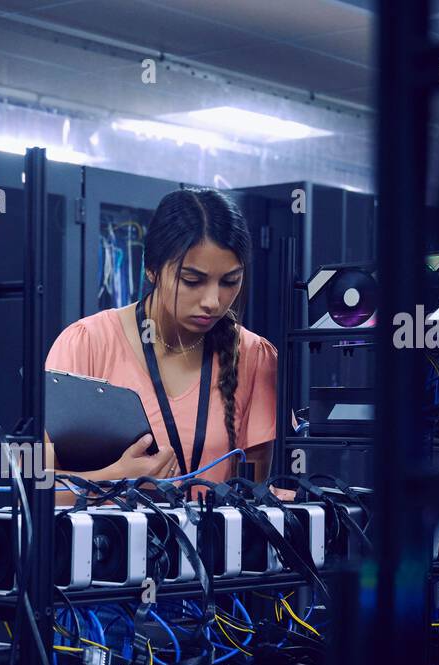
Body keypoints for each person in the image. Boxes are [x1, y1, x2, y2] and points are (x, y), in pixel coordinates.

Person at [45, 187, 278, 493]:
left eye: (230, 281)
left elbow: (253, 499)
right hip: (106, 540)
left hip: (213, 541)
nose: (213, 301)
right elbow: (32, 488)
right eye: (192, 281)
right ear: (152, 270)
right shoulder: (87, 344)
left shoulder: (254, 357)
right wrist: (113, 478)